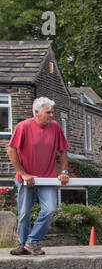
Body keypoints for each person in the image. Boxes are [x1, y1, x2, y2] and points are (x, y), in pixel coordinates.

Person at [7, 97, 71, 257]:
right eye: (48, 112)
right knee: (24, 213)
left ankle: (32, 241)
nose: (52, 115)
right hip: (26, 178)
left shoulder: (55, 127)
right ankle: (22, 244)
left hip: (47, 178)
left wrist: (64, 172)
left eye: (52, 112)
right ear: (37, 112)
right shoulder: (23, 127)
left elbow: (63, 150)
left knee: (49, 209)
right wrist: (23, 173)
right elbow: (11, 150)